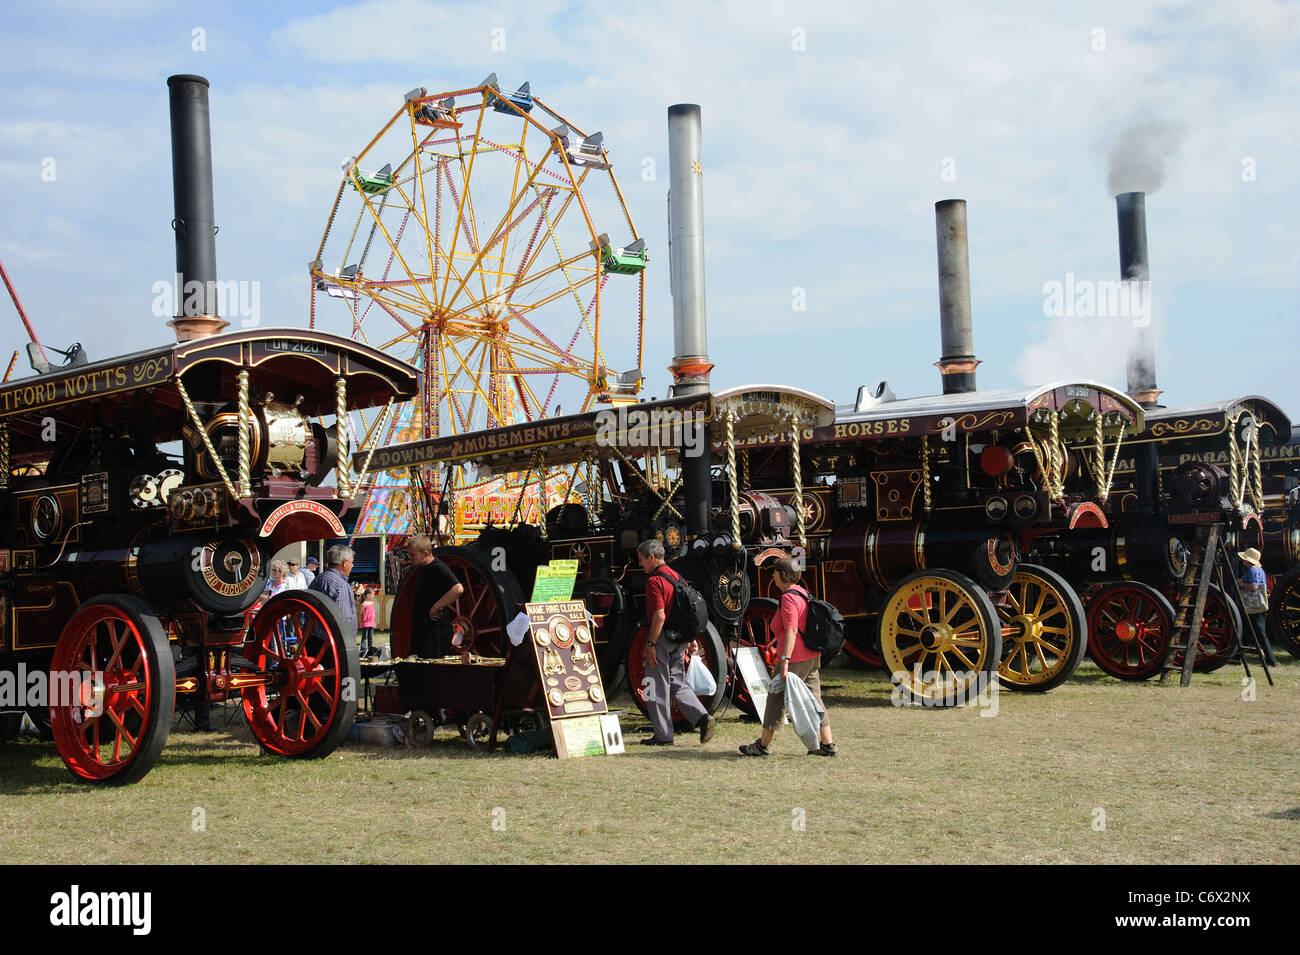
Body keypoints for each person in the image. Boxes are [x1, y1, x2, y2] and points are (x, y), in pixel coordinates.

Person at [740, 556, 836, 757]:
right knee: (815, 698)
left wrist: (784, 661)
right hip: (811, 655)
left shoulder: (788, 598)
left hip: (795, 658)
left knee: (775, 699)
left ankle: (762, 745)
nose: (773, 576)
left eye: (775, 572)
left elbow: (791, 631)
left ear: (783, 575)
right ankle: (828, 744)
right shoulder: (802, 593)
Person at [636, 539, 716, 746]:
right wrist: (690, 639)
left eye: (642, 560)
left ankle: (663, 735)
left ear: (651, 557)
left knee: (657, 685)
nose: (641, 564)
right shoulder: (676, 576)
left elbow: (659, 616)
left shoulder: (655, 582)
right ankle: (702, 717)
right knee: (677, 682)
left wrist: (651, 644)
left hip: (661, 638)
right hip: (679, 638)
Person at [406, 534, 464, 657]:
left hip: (435, 633)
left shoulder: (439, 568)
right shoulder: (423, 567)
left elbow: (458, 589)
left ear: (426, 553)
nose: (410, 558)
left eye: (413, 555)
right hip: (423, 630)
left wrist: (436, 606)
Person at [1237, 547, 1279, 666]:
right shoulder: (1258, 569)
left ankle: (1271, 661)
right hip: (1255, 606)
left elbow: (1254, 587)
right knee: (1247, 631)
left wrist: (1241, 583)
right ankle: (1238, 657)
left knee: (1260, 634)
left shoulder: (1252, 570)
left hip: (1253, 606)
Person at [308, 544, 358, 636]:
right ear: (345, 563)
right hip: (333, 643)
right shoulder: (342, 586)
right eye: (351, 562)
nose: (352, 566)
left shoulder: (316, 580)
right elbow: (344, 621)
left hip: (313, 639)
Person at [358, 586, 377, 658]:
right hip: (365, 623)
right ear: (368, 595)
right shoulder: (364, 604)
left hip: (371, 622)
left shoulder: (372, 603)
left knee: (370, 636)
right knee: (364, 636)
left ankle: (370, 648)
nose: (373, 596)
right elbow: (360, 613)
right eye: (372, 594)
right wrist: (359, 621)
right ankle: (363, 649)